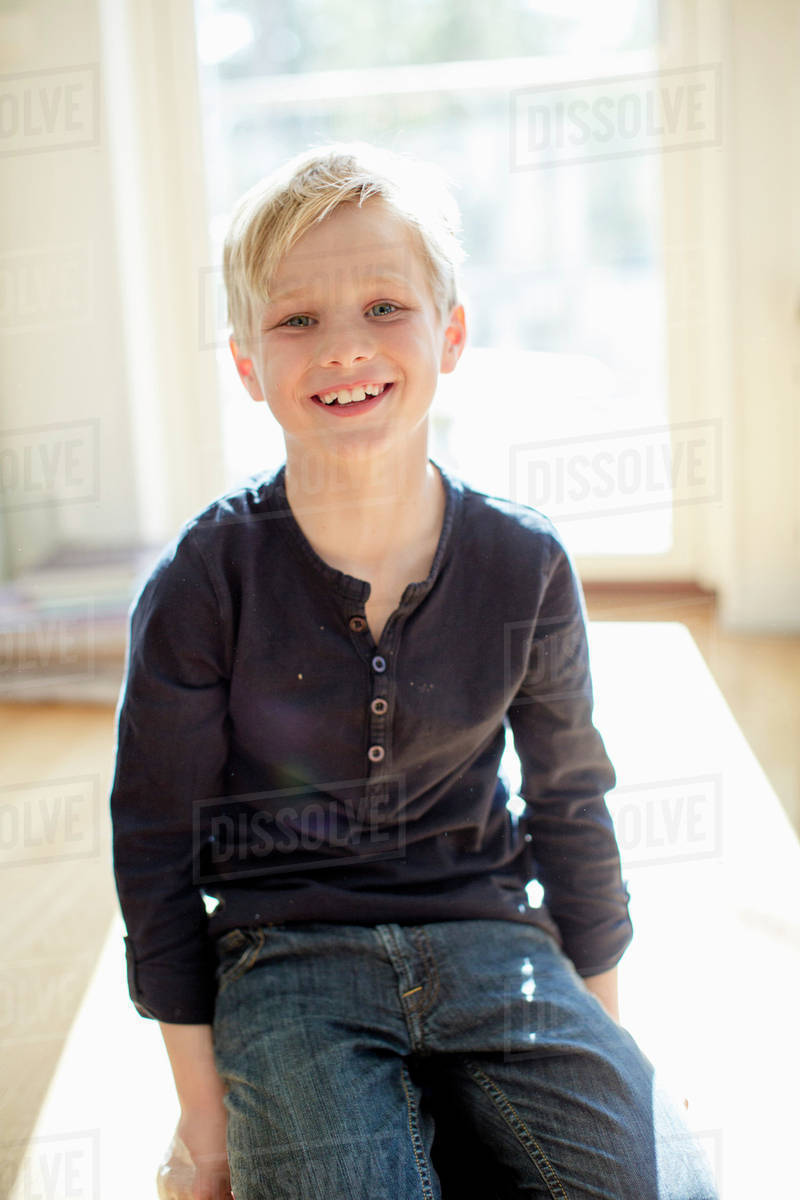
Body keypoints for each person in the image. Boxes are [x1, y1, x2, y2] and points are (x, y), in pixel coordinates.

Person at [110, 142, 719, 1200]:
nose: (344, 345)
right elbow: (155, 847)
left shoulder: (525, 562)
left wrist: (612, 1061)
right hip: (284, 959)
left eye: (384, 307)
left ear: (452, 333)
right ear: (247, 365)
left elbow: (571, 802)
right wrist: (204, 1119)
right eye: (298, 320)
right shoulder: (203, 580)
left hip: (491, 939)